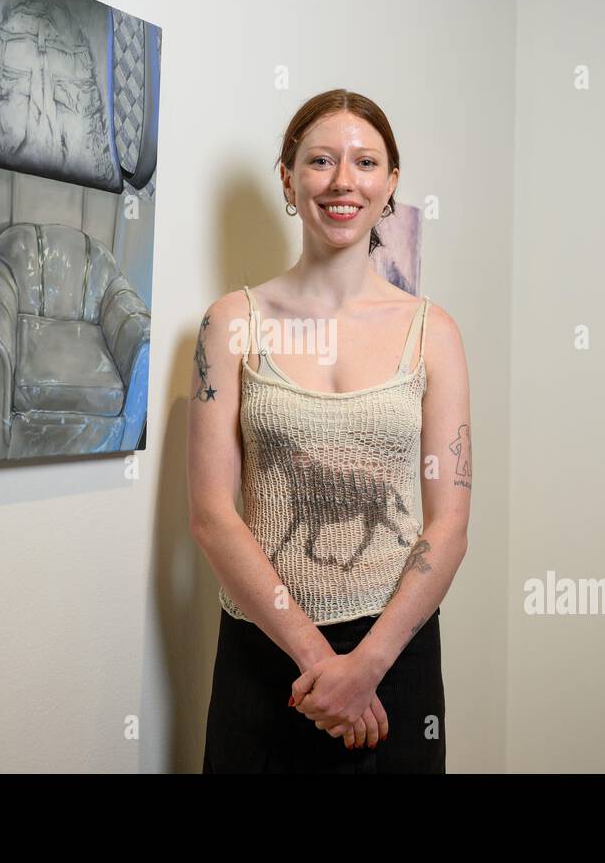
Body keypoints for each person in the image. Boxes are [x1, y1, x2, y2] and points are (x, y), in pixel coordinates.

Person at [187, 89, 472, 772]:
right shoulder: (231, 323)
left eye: (365, 162)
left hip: (394, 656)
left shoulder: (433, 332)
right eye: (320, 161)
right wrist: (321, 664)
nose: (343, 181)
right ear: (288, 179)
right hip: (264, 655)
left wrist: (367, 666)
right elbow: (211, 516)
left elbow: (450, 523)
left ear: (391, 183)